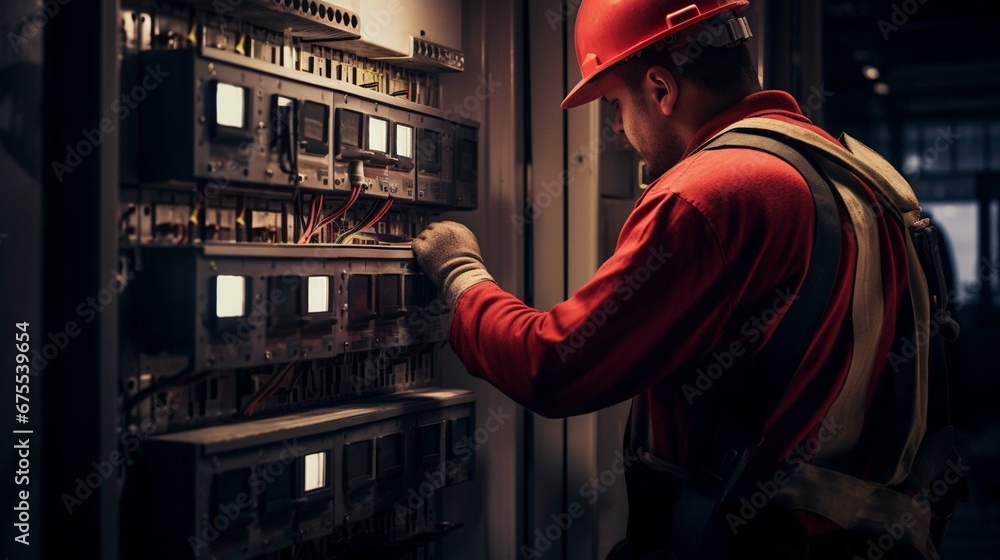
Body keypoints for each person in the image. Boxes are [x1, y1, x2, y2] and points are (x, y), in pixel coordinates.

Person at [412, 1, 956, 558]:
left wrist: (461, 276)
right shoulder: (862, 178)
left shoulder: (708, 193)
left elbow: (555, 365)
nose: (617, 126)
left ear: (661, 88)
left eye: (615, 104)